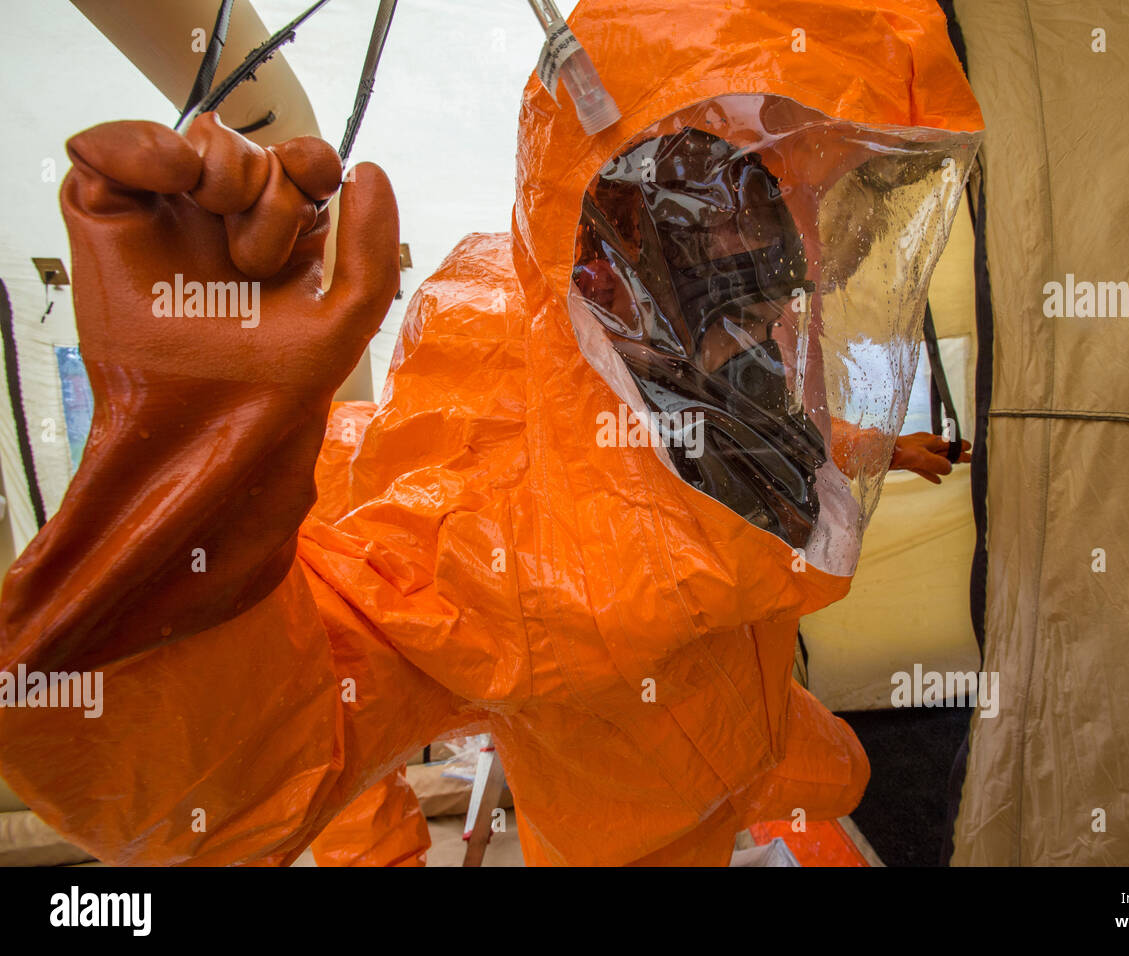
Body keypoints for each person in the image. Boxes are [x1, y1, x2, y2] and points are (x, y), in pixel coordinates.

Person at [0, 0, 982, 866]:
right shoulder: (493, 483)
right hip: (628, 814)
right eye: (762, 190)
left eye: (855, 188)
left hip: (743, 727)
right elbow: (224, 774)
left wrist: (885, 446)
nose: (811, 258)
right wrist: (183, 482)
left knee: (836, 773)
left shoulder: (713, 347)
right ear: (615, 209)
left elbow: (748, 429)